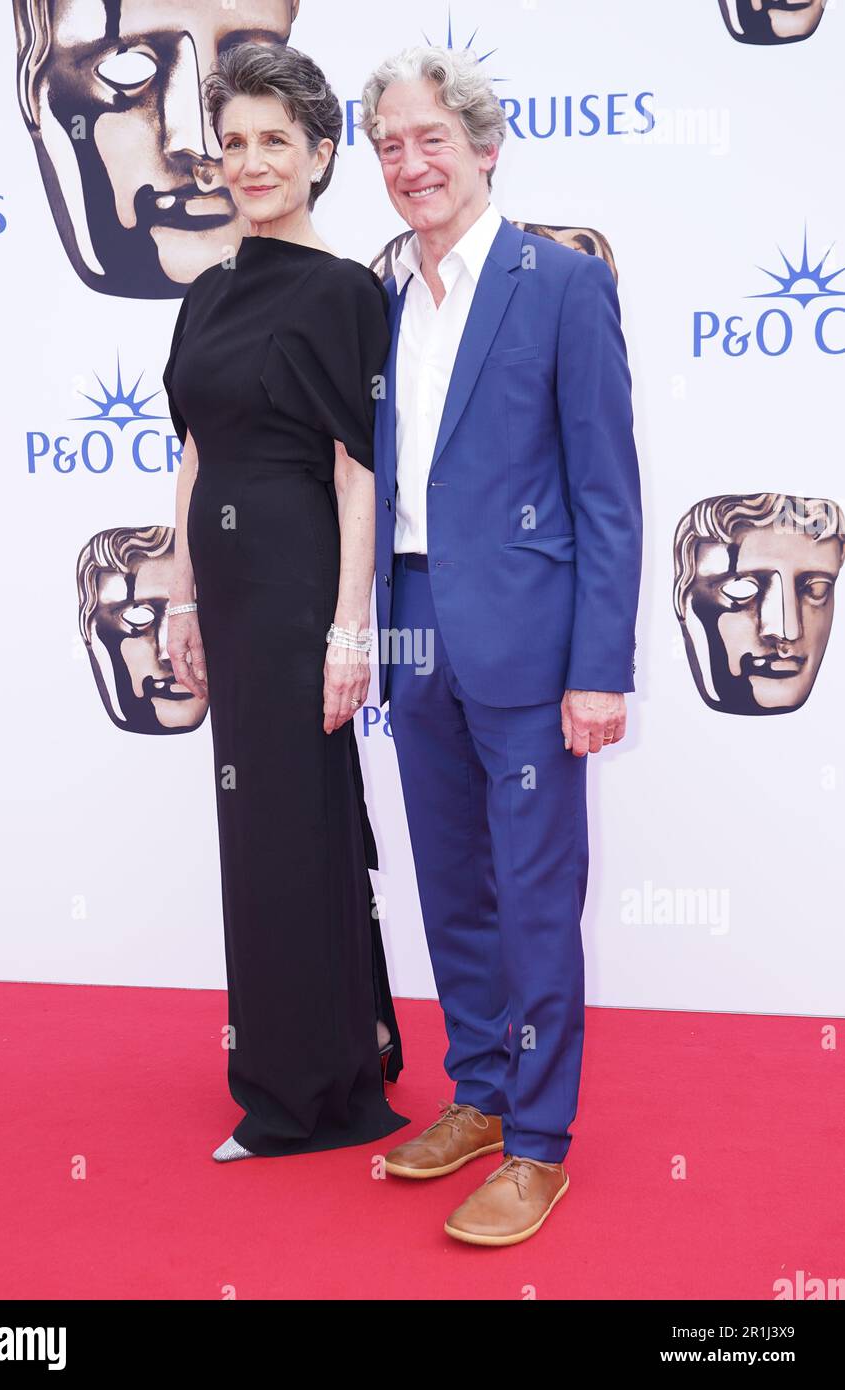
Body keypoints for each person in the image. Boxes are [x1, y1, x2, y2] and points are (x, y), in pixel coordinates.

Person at [360, 46, 642, 1244]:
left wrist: (600, 666)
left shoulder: (561, 283)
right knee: (452, 885)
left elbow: (609, 492)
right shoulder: (382, 295)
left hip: (532, 644)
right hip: (416, 625)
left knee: (535, 896)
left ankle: (538, 1141)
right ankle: (477, 1092)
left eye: (430, 139)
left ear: (483, 146)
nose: (410, 165)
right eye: (389, 147)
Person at [162, 42, 409, 1160]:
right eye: (235, 144)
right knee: (250, 826)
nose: (252, 163)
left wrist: (351, 627)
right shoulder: (205, 292)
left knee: (301, 820)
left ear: (320, 153)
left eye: (276, 142)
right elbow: (192, 456)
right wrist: (177, 599)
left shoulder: (346, 290)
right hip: (225, 581)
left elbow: (360, 474)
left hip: (302, 576)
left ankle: (315, 1090)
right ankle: (287, 1057)